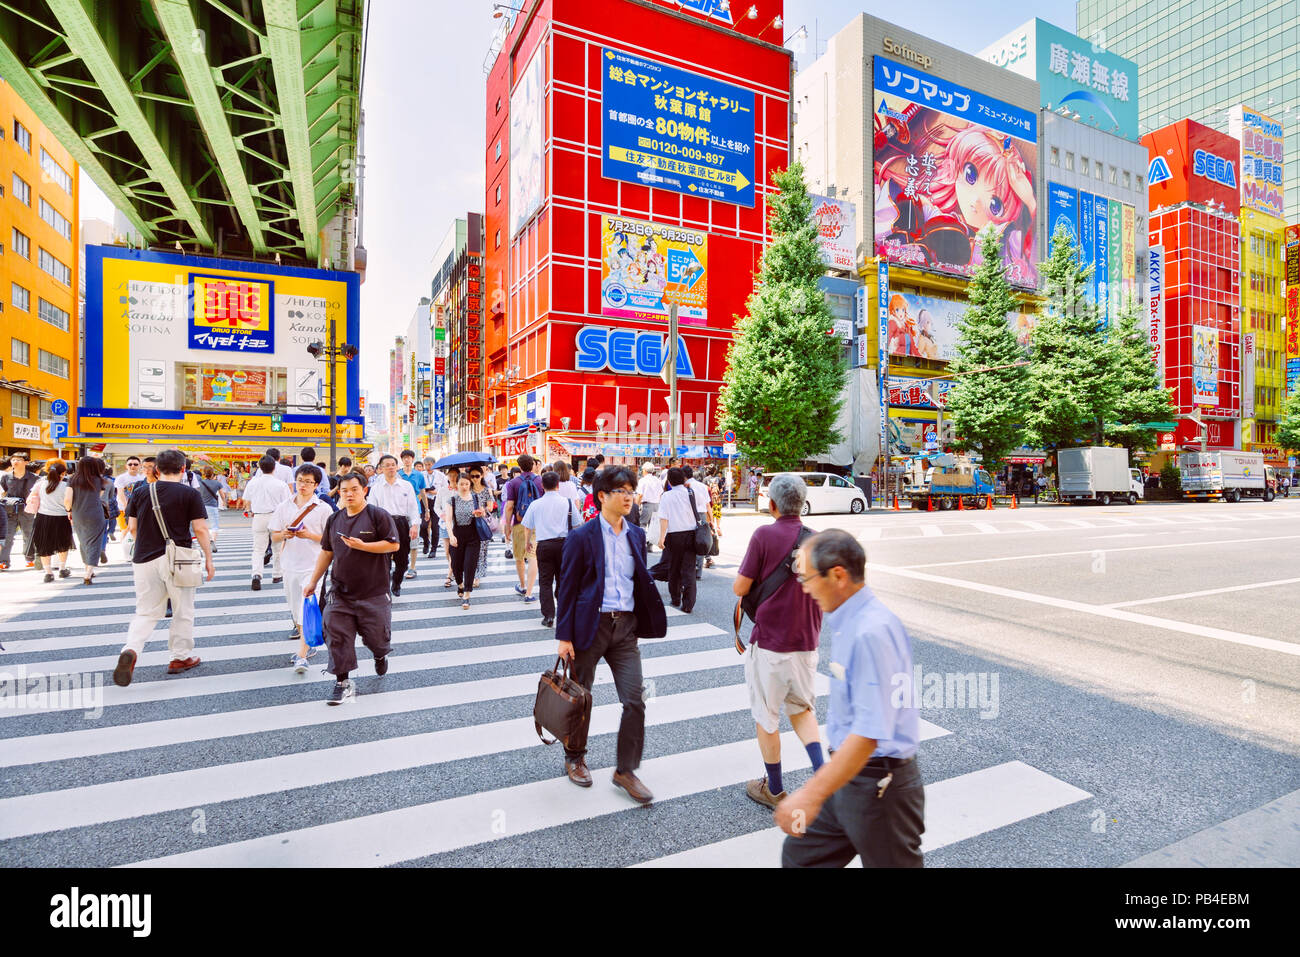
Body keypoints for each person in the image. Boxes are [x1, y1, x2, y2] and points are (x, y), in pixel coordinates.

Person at [775, 530, 924, 868]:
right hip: (849, 776)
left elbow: (869, 732)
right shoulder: (849, 620)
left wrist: (810, 794)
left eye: (809, 577)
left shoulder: (871, 631)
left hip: (880, 788)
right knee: (801, 857)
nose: (804, 586)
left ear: (838, 575)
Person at [554, 465, 666, 802]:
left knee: (635, 700)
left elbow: (639, 579)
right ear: (602, 496)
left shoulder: (635, 534)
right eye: (623, 491)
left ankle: (625, 770)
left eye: (632, 491)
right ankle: (575, 758)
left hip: (625, 629)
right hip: (591, 627)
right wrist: (564, 637)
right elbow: (568, 588)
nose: (630, 497)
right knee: (581, 698)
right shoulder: (581, 537)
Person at [732, 474, 824, 809]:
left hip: (770, 643)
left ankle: (774, 789)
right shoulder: (817, 540)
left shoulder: (764, 535)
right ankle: (823, 777)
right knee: (802, 710)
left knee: (767, 717)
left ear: (772, 504)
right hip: (807, 640)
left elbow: (741, 589)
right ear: (802, 503)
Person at [112, 449, 215, 687]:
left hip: (144, 558)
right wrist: (209, 558)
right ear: (183, 469)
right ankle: (180, 657)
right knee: (183, 610)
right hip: (178, 559)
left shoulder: (140, 492)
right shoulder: (189, 494)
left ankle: (131, 648)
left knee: (146, 611)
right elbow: (200, 529)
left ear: (156, 470)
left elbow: (133, 527)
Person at [302, 472, 399, 705]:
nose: (349, 494)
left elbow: (393, 544)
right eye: (344, 490)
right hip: (340, 592)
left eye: (354, 489)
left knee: (377, 639)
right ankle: (343, 683)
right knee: (337, 635)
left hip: (373, 592)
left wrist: (364, 546)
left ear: (364, 490)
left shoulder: (378, 516)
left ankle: (379, 653)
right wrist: (313, 581)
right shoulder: (335, 520)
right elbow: (327, 552)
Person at [270, 464, 333, 668]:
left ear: (316, 485)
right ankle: (306, 642)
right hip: (289, 565)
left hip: (313, 567)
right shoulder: (284, 506)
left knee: (307, 606)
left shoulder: (323, 508)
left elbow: (329, 539)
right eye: (300, 481)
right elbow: (274, 535)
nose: (303, 485)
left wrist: (309, 535)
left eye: (308, 482)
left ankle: (302, 655)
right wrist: (285, 534)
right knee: (296, 610)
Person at [523, 470, 582, 628]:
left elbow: (527, 526)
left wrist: (527, 542)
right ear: (558, 485)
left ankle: (548, 615)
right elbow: (578, 524)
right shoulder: (568, 502)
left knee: (545, 581)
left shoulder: (536, 504)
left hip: (544, 545)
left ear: (542, 486)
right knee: (564, 580)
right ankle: (564, 612)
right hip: (565, 545)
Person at [368, 453, 420, 596]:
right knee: (383, 560)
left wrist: (414, 525)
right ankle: (385, 589)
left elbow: (413, 508)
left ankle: (396, 582)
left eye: (393, 465)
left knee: (402, 561)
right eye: (387, 465)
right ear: (381, 468)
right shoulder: (376, 488)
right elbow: (371, 510)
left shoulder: (406, 486)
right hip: (382, 525)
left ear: (397, 467)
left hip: (401, 523)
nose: (390, 468)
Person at [244, 454, 291, 590]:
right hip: (276, 517)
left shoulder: (253, 482)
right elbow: (287, 504)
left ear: (259, 467)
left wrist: (249, 510)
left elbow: (247, 500)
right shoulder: (281, 484)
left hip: (259, 517)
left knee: (258, 549)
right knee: (278, 548)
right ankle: (277, 574)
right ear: (274, 467)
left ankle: (257, 574)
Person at [656, 467, 699, 613]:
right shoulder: (690, 492)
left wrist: (661, 537)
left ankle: (675, 598)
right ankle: (688, 604)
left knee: (674, 568)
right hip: (691, 534)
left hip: (674, 536)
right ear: (683, 479)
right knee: (689, 570)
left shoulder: (666, 496)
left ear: (669, 481)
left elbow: (664, 519)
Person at [501, 453, 543, 603]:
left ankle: (523, 585)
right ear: (532, 465)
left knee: (519, 557)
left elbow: (510, 506)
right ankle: (529, 593)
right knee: (533, 557)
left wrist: (507, 526)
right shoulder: (540, 480)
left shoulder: (513, 483)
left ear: (519, 466)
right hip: (537, 524)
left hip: (520, 523)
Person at [65, 456, 112, 585]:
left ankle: (87, 569)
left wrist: (69, 510)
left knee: (83, 541)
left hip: (78, 514)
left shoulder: (72, 480)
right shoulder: (99, 480)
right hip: (96, 514)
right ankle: (88, 572)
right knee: (95, 542)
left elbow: (68, 500)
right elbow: (99, 496)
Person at [444, 473, 488, 610]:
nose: (464, 487)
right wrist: (451, 535)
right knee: (456, 566)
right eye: (461, 484)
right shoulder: (452, 499)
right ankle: (460, 584)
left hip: (473, 535)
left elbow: (483, 513)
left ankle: (467, 595)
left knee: (470, 565)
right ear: (456, 484)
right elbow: (448, 519)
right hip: (457, 534)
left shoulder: (475, 497)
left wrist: (480, 513)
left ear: (470, 485)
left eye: (466, 484)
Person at [32, 460, 73, 582]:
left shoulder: (40, 484)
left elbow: (32, 496)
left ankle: (48, 572)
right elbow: (68, 502)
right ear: (63, 474)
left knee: (44, 544)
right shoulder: (66, 486)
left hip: (43, 517)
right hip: (61, 517)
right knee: (63, 543)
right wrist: (69, 511)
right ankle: (62, 569)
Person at [0, 452, 41, 569]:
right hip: (9, 511)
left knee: (28, 535)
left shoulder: (35, 478)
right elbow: (4, 492)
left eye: (18, 459)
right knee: (7, 536)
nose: (15, 462)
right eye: (13, 460)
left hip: (27, 511)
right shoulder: (5, 477)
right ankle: (3, 561)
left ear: (26, 462)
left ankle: (30, 559)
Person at [396, 449, 428, 580]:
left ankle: (412, 568)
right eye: (405, 458)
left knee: (414, 541)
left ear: (413, 459)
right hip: (400, 512)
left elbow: (422, 492)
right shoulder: (398, 474)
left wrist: (427, 510)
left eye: (409, 457)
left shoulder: (418, 475)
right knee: (400, 540)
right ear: (402, 459)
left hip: (415, 510)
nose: (407, 460)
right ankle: (401, 564)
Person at [467, 466, 496, 587]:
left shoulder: (486, 490)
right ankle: (472, 574)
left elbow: (490, 507)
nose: (474, 479)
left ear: (482, 476)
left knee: (482, 550)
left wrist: (482, 509)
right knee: (471, 550)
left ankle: (478, 575)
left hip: (482, 523)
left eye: (477, 476)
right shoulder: (468, 489)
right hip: (469, 522)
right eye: (472, 476)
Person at [683, 466, 714, 579]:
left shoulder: (684, 487)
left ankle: (690, 569)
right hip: (702, 515)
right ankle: (698, 571)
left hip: (689, 515)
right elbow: (707, 505)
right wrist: (711, 520)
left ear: (684, 476)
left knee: (689, 542)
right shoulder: (702, 486)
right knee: (700, 541)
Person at [195, 466, 227, 554]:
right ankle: (212, 540)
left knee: (203, 526)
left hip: (201, 506)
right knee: (214, 526)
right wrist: (224, 502)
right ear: (212, 473)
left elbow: (196, 493)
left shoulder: (200, 483)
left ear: (204, 474)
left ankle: (206, 540)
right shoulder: (217, 483)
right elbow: (222, 494)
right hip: (212, 506)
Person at [635, 463, 663, 553]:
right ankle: (649, 546)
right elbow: (660, 494)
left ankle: (642, 543)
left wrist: (636, 506)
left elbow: (640, 494)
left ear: (644, 470)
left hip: (647, 505)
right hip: (656, 505)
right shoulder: (657, 480)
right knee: (652, 526)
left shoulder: (643, 481)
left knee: (642, 524)